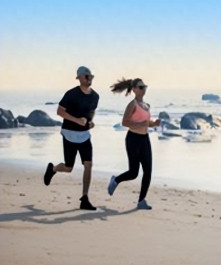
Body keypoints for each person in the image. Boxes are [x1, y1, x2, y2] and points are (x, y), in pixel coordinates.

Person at [43, 66, 100, 211]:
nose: (89, 79)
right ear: (79, 78)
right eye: (86, 76)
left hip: (85, 135)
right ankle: (53, 169)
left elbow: (91, 112)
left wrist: (90, 122)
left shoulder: (95, 96)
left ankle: (84, 198)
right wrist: (76, 120)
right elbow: (60, 111)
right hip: (69, 134)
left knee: (88, 164)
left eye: (91, 76)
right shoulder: (71, 94)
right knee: (68, 168)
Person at [108, 78, 161, 210]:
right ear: (134, 90)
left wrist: (154, 123)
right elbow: (124, 122)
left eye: (145, 86)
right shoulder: (132, 104)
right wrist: (141, 124)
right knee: (133, 172)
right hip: (133, 139)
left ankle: (141, 201)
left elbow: (146, 122)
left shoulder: (147, 106)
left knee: (148, 171)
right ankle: (116, 180)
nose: (143, 89)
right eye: (141, 87)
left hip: (145, 139)